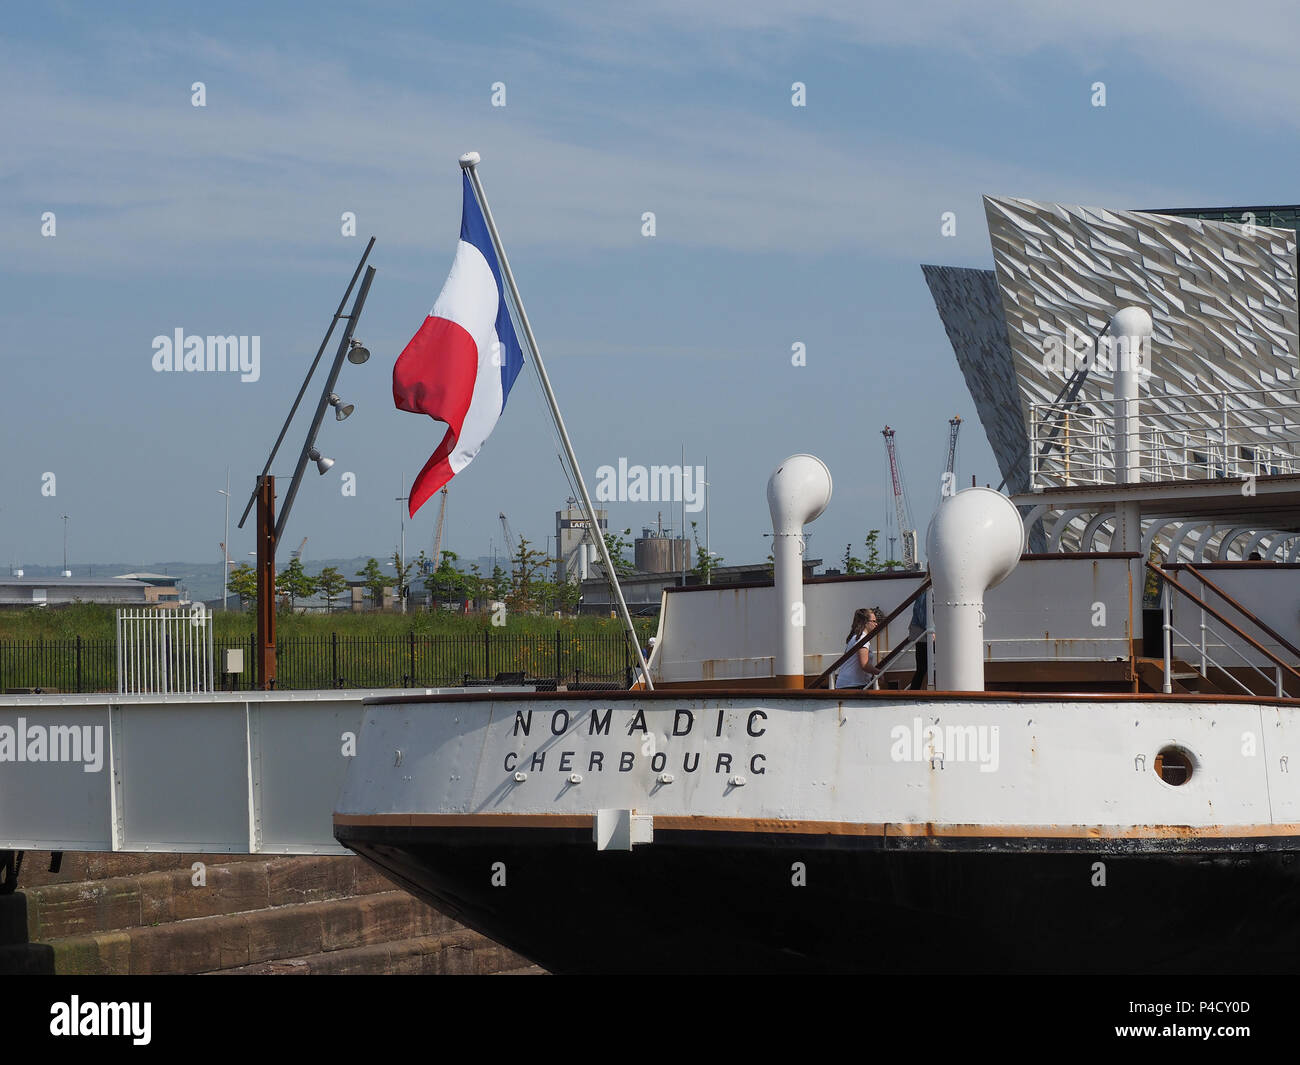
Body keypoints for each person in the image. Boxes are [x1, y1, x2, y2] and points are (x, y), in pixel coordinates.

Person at [836, 607, 881, 690]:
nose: (876, 624)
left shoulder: (857, 638)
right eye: (874, 621)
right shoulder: (862, 639)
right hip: (852, 685)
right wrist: (879, 673)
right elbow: (864, 665)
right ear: (865, 623)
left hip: (848, 683)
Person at [908, 592, 929, 690]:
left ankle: (914, 692)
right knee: (922, 668)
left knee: (922, 668)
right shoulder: (927, 592)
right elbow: (922, 613)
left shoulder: (925, 591)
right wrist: (930, 629)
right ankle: (914, 692)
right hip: (923, 634)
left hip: (923, 634)